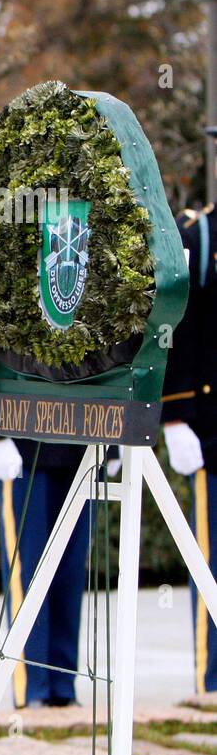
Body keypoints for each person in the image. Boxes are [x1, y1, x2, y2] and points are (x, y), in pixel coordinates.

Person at [0, 437, 89, 707]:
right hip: (22, 439)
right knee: (28, 570)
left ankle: (63, 685)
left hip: (82, 439)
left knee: (70, 571)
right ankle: (33, 687)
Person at [162, 196, 217, 692]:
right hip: (212, 425)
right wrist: (175, 414)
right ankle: (213, 678)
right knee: (212, 560)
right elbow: (174, 322)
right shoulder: (197, 235)